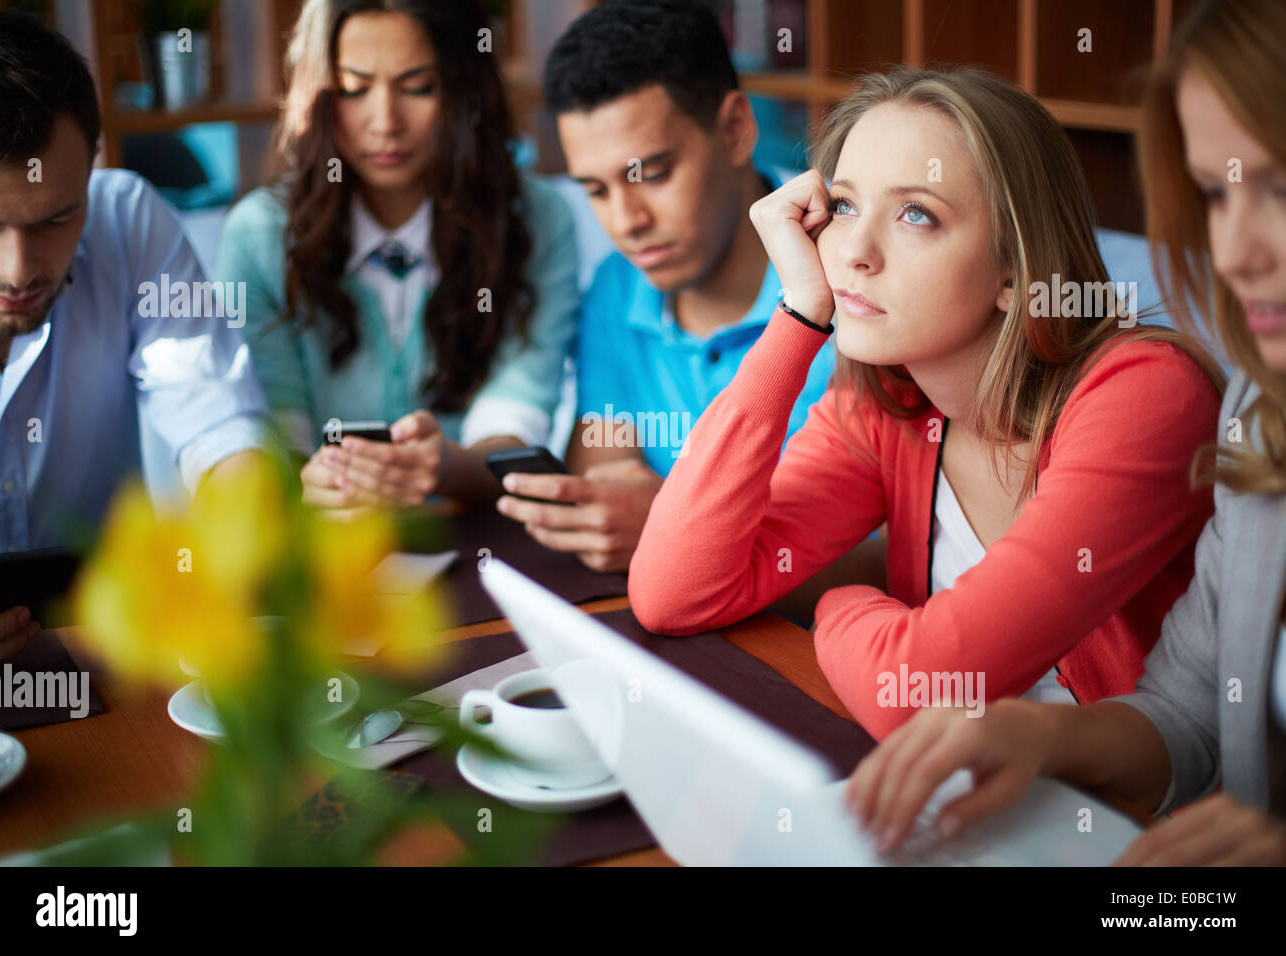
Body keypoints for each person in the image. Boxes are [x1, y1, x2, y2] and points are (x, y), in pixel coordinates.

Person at [628, 66, 1225, 741]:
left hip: (1135, 826)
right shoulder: (885, 401)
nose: (852, 251)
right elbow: (671, 592)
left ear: (1013, 268)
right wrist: (796, 316)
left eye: (917, 214)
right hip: (960, 799)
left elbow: (914, 692)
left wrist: (843, 605)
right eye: (845, 206)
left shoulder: (1146, 395)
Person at [845, 0, 1286, 865]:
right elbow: (1191, 710)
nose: (1233, 251)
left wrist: (836, 603)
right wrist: (1038, 740)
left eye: (1281, 188)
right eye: (1214, 194)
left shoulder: (1152, 389)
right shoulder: (1262, 424)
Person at [493, 0, 846, 579]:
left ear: (734, 129)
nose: (626, 220)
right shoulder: (616, 286)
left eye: (650, 174)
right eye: (596, 191)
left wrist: (670, 523)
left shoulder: (853, 280)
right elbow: (605, 471)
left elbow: (890, 554)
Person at [215, 0, 578, 509]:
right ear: (316, 91)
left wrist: (449, 468)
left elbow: (514, 422)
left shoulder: (538, 221)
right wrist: (309, 481)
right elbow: (276, 432)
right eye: (353, 89)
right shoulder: (259, 234)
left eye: (418, 87)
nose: (385, 122)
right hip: (329, 550)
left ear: (463, 86)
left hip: (477, 536)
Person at [0, 10, 267, 665]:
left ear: (93, 162)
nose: (19, 269)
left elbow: (218, 423)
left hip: (104, 651)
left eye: (58, 216)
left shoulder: (127, 219)